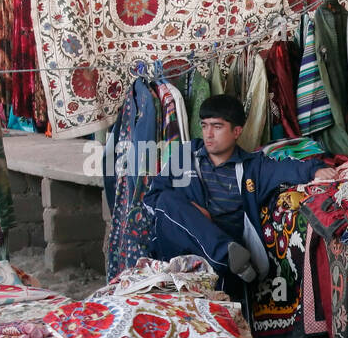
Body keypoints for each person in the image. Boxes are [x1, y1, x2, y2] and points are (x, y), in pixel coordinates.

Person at [144, 93, 336, 296]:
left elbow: (287, 168)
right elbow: (151, 200)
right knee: (166, 200)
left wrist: (315, 170)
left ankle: (224, 257)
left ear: (236, 131)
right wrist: (192, 212)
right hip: (183, 245)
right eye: (204, 125)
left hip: (221, 252)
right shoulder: (185, 157)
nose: (208, 134)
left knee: (221, 279)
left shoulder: (252, 168)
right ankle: (225, 255)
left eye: (217, 127)